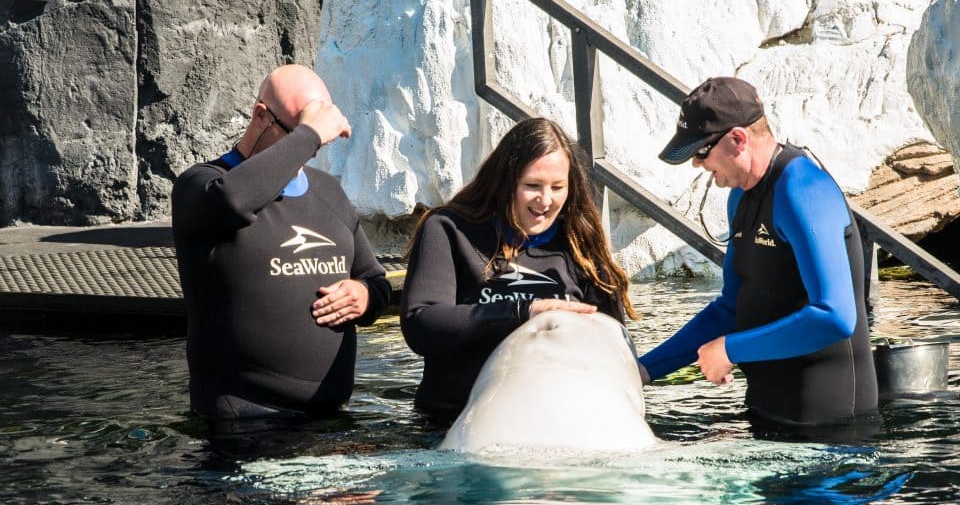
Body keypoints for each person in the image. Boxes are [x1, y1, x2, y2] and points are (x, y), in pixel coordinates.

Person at [638, 76, 877, 428]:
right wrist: (643, 369)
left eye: (701, 152)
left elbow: (835, 316)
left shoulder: (803, 190)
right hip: (768, 412)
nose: (696, 164)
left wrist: (732, 350)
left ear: (737, 140)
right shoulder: (741, 196)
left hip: (830, 430)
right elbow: (731, 308)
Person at [172, 63, 392, 422]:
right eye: (299, 136)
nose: (309, 152)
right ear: (261, 115)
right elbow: (233, 201)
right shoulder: (201, 186)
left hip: (330, 419)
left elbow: (376, 280)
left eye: (319, 142)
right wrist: (307, 135)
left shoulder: (327, 191)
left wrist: (364, 296)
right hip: (247, 420)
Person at [401, 116, 637, 421]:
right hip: (456, 423)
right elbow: (421, 324)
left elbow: (614, 346)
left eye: (557, 187)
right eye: (532, 185)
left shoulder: (580, 242)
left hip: (553, 421)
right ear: (504, 180)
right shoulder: (448, 229)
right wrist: (524, 312)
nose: (546, 200)